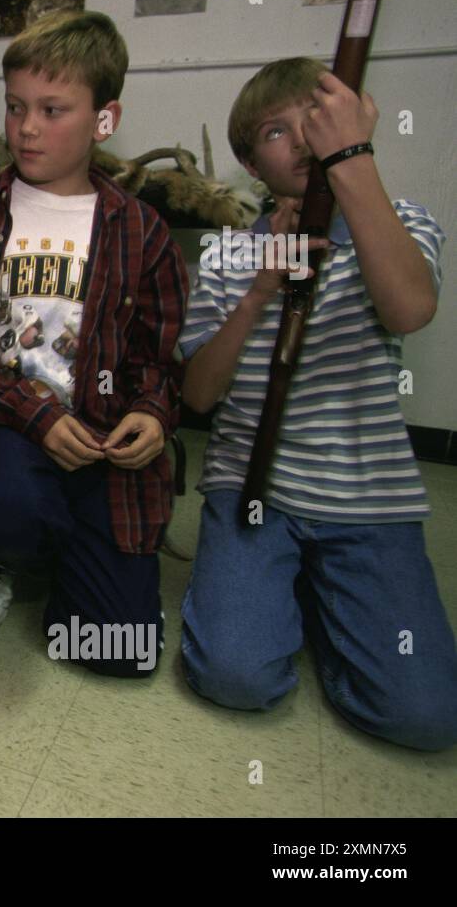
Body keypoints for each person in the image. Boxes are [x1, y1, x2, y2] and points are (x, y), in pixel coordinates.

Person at [0, 10, 188, 678]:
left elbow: (160, 355)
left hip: (103, 445)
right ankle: (1, 549)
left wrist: (151, 411)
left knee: (120, 655)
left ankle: (81, 551)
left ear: (104, 119)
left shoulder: (142, 231)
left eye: (53, 110)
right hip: (6, 432)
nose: (26, 127)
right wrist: (37, 415)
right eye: (16, 106)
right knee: (13, 506)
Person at [178, 56, 457, 750]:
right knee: (236, 678)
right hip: (253, 488)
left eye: (316, 120)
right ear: (250, 160)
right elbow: (199, 395)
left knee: (425, 718)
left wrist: (354, 161)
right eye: (277, 131)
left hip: (369, 499)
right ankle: (280, 589)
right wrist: (260, 290)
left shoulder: (402, 226)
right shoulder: (225, 256)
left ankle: (315, 602)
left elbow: (410, 309)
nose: (302, 140)